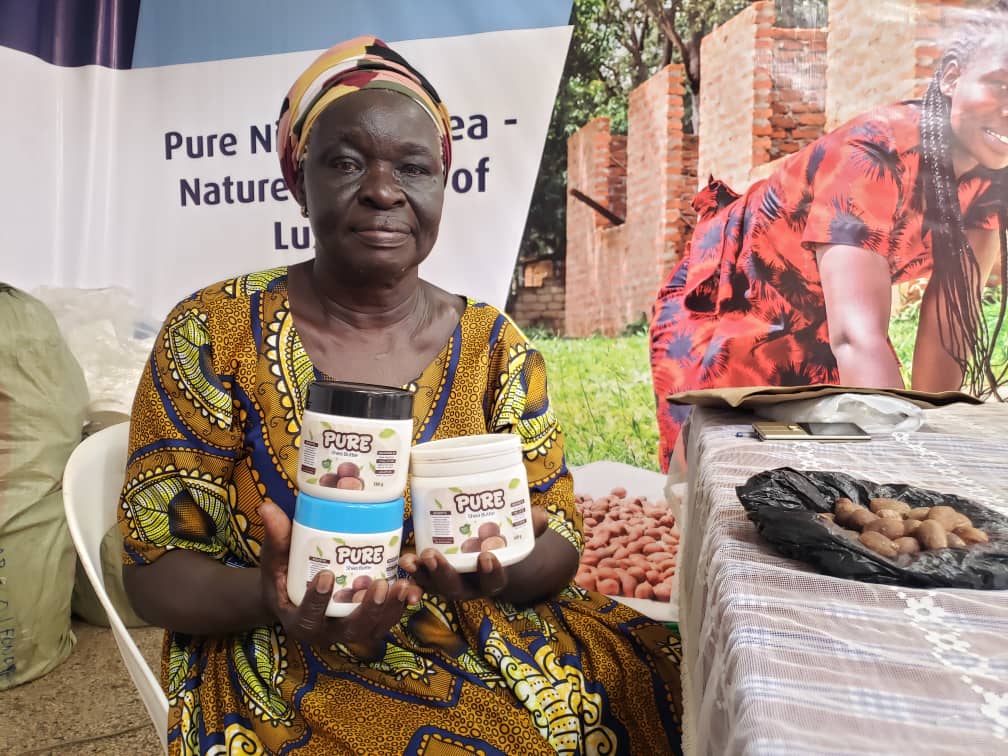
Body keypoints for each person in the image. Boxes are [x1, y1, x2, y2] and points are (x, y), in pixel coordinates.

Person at [119, 37, 683, 755]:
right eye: (347, 162)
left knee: (660, 689)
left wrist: (498, 573)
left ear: (441, 186)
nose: (383, 189)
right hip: (280, 654)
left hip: (492, 629)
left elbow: (560, 538)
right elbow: (153, 573)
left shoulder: (494, 345)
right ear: (300, 181)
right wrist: (273, 597)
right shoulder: (213, 332)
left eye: (412, 167)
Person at [649, 2, 1008, 472]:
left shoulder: (989, 181)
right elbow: (858, 338)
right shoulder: (871, 152)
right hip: (730, 314)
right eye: (1000, 84)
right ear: (951, 78)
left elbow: (948, 332)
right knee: (724, 477)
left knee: (826, 479)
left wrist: (935, 456)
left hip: (818, 327)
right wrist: (906, 466)